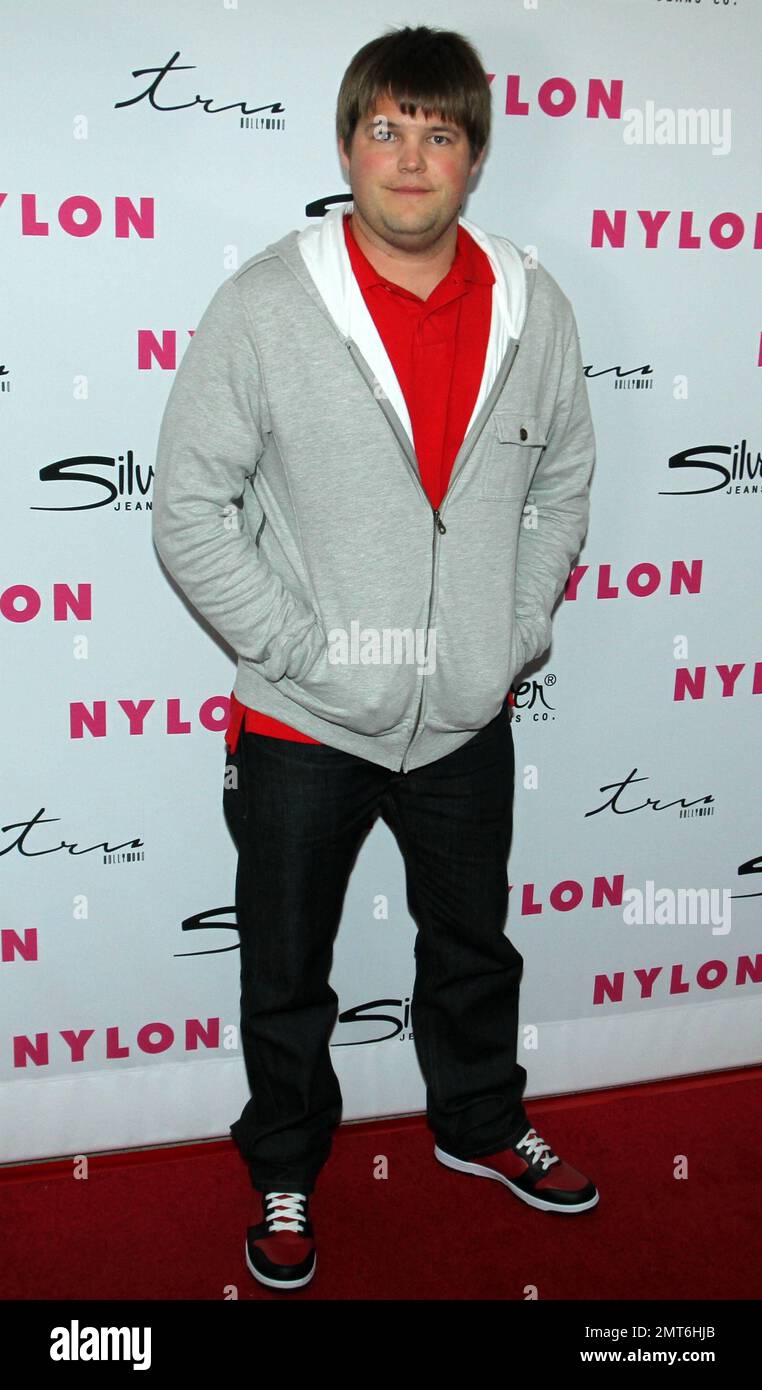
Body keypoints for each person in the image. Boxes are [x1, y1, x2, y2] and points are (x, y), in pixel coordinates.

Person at [152, 23, 598, 1293]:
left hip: (465, 711)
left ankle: (476, 1121)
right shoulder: (266, 302)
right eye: (385, 129)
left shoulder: (534, 301)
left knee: (474, 946)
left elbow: (563, 480)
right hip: (302, 722)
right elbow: (188, 509)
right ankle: (285, 1165)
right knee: (287, 967)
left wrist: (511, 635)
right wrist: (305, 654)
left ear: (475, 157)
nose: (410, 158)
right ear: (347, 145)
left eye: (438, 132)